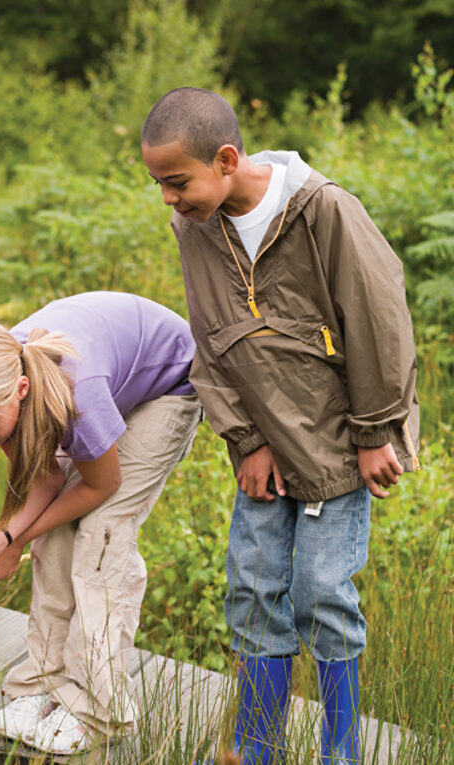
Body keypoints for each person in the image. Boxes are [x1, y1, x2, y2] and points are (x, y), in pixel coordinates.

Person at [141, 87, 419, 764]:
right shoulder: (195, 229)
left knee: (324, 594)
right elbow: (209, 339)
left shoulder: (323, 211)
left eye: (177, 183)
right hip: (264, 448)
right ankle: (255, 748)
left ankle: (341, 750)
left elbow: (381, 318)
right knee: (254, 592)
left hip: (338, 441)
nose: (169, 200)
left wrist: (378, 428)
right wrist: (246, 438)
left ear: (227, 159)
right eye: (159, 186)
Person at [0, 291, 202, 755]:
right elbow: (46, 477)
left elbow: (101, 485)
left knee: (100, 536)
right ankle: (42, 682)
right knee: (55, 535)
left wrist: (10, 538)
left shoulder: (74, 393)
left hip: (166, 388)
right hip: (105, 377)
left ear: (19, 391)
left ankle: (96, 707)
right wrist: (5, 538)